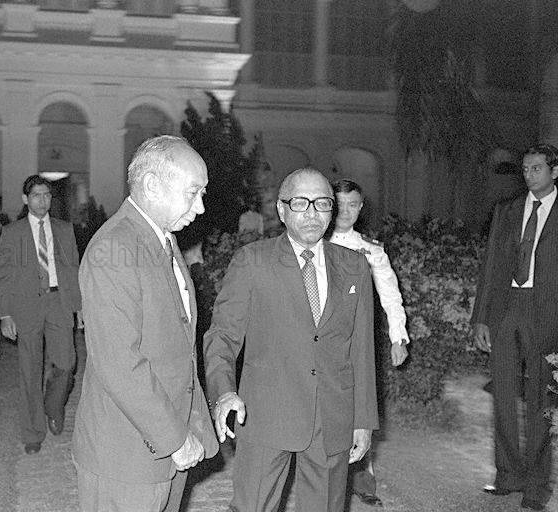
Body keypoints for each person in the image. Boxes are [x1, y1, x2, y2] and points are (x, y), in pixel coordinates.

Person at [203, 167, 378, 512]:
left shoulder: (355, 266)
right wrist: (224, 392)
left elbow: (361, 349)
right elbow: (222, 335)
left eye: (322, 203)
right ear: (282, 210)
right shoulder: (253, 261)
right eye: (301, 202)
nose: (313, 213)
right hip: (265, 413)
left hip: (332, 416)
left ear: (334, 210)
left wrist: (363, 420)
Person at [72, 135, 218, 512]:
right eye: (193, 192)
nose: (201, 208)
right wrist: (174, 438)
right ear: (153, 185)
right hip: (127, 455)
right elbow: (120, 364)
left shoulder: (161, 240)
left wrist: (191, 426)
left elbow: (178, 344)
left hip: (164, 443)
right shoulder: (114, 250)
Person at [472, 143, 558, 511]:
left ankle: (537, 486)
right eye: (525, 169)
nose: (528, 174)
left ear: (554, 171)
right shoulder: (506, 211)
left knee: (542, 399)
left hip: (548, 314)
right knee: (503, 396)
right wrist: (480, 319)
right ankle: (507, 475)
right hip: (506, 308)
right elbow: (490, 267)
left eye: (536, 168)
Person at [330, 178, 410, 507]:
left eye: (353, 204)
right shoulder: (310, 243)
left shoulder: (370, 249)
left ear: (360, 208)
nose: (345, 211)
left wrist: (398, 336)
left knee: (359, 410)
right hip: (317, 342)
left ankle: (363, 478)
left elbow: (390, 295)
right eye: (340, 203)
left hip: (357, 343)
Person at [0, 175, 81, 455]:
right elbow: (4, 276)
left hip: (58, 301)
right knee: (29, 369)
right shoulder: (12, 232)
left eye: (46, 195)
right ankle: (33, 433)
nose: (42, 201)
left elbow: (73, 271)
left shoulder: (65, 229)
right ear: (25, 199)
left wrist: (78, 307)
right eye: (36, 196)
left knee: (66, 363)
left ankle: (53, 406)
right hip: (26, 305)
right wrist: (6, 314)